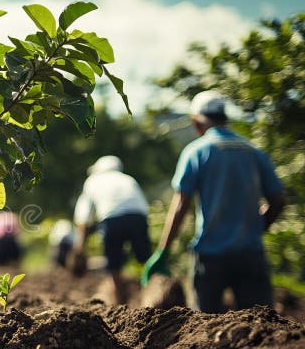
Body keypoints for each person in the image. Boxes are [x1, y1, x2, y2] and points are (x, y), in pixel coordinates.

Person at [143, 90, 285, 313]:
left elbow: (181, 205)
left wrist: (164, 251)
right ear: (225, 118)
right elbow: (278, 199)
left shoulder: (196, 152)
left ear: (197, 123)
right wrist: (258, 227)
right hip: (250, 254)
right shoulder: (253, 151)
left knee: (204, 328)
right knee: (262, 326)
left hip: (210, 257)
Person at [72, 155, 151, 304]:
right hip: (139, 218)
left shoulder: (93, 181)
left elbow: (84, 218)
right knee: (144, 258)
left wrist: (80, 249)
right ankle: (152, 291)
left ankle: (119, 302)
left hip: (112, 219)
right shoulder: (128, 179)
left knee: (114, 265)